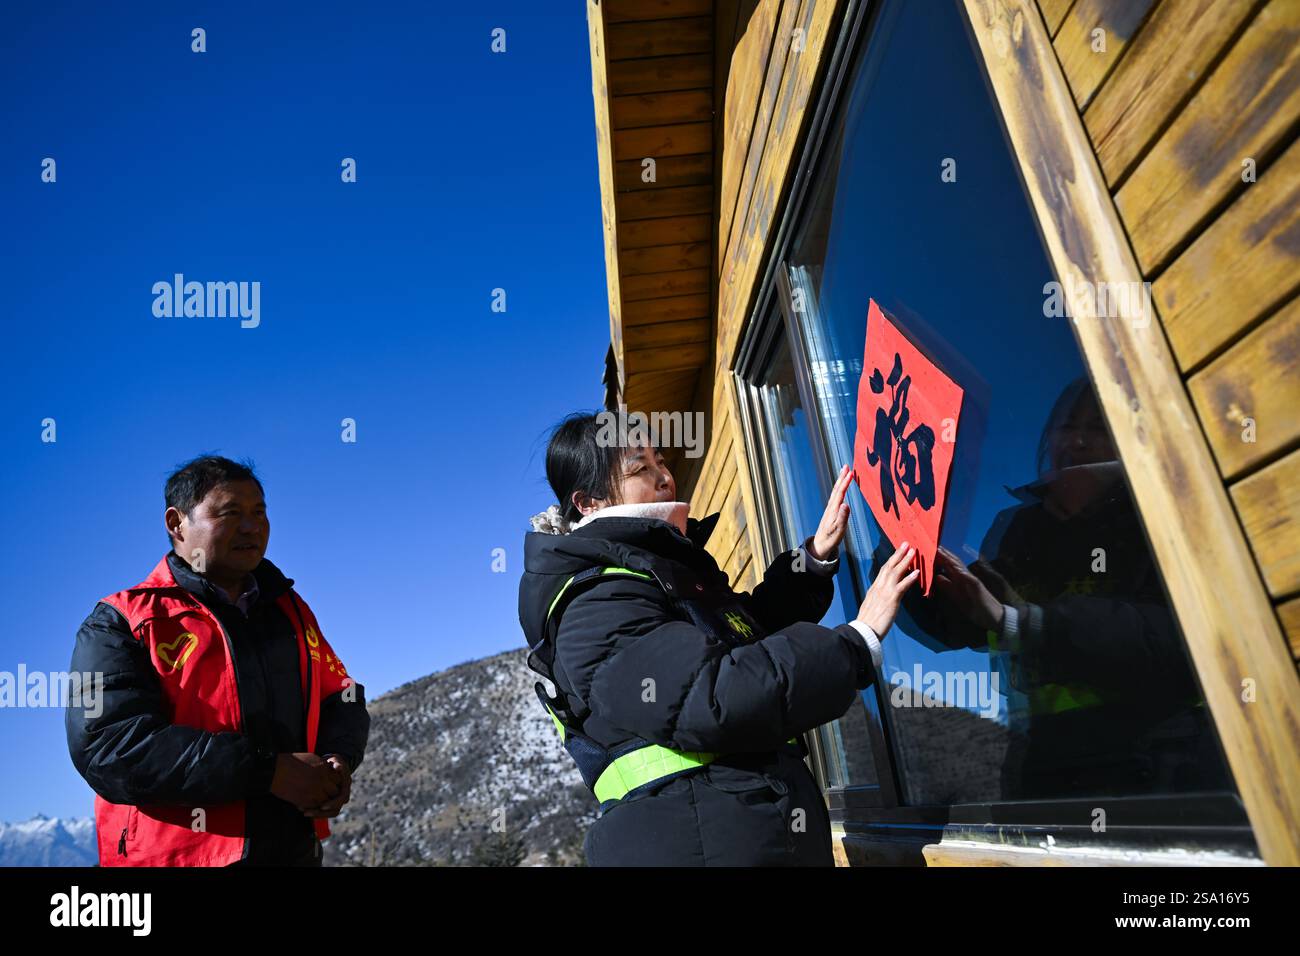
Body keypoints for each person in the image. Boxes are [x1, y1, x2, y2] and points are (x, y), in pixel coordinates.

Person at [518, 412, 918, 866]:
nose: (664, 477)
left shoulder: (652, 570)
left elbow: (744, 636)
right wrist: (856, 642)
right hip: (696, 844)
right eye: (640, 468)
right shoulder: (595, 602)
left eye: (660, 460)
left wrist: (810, 562)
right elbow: (715, 694)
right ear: (588, 502)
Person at [66, 455, 370, 866]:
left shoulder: (291, 611)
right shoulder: (122, 622)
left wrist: (339, 759)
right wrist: (268, 772)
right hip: (175, 860)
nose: (251, 526)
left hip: (290, 853)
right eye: (230, 513)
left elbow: (342, 695)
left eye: (259, 512)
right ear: (176, 523)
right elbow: (108, 746)